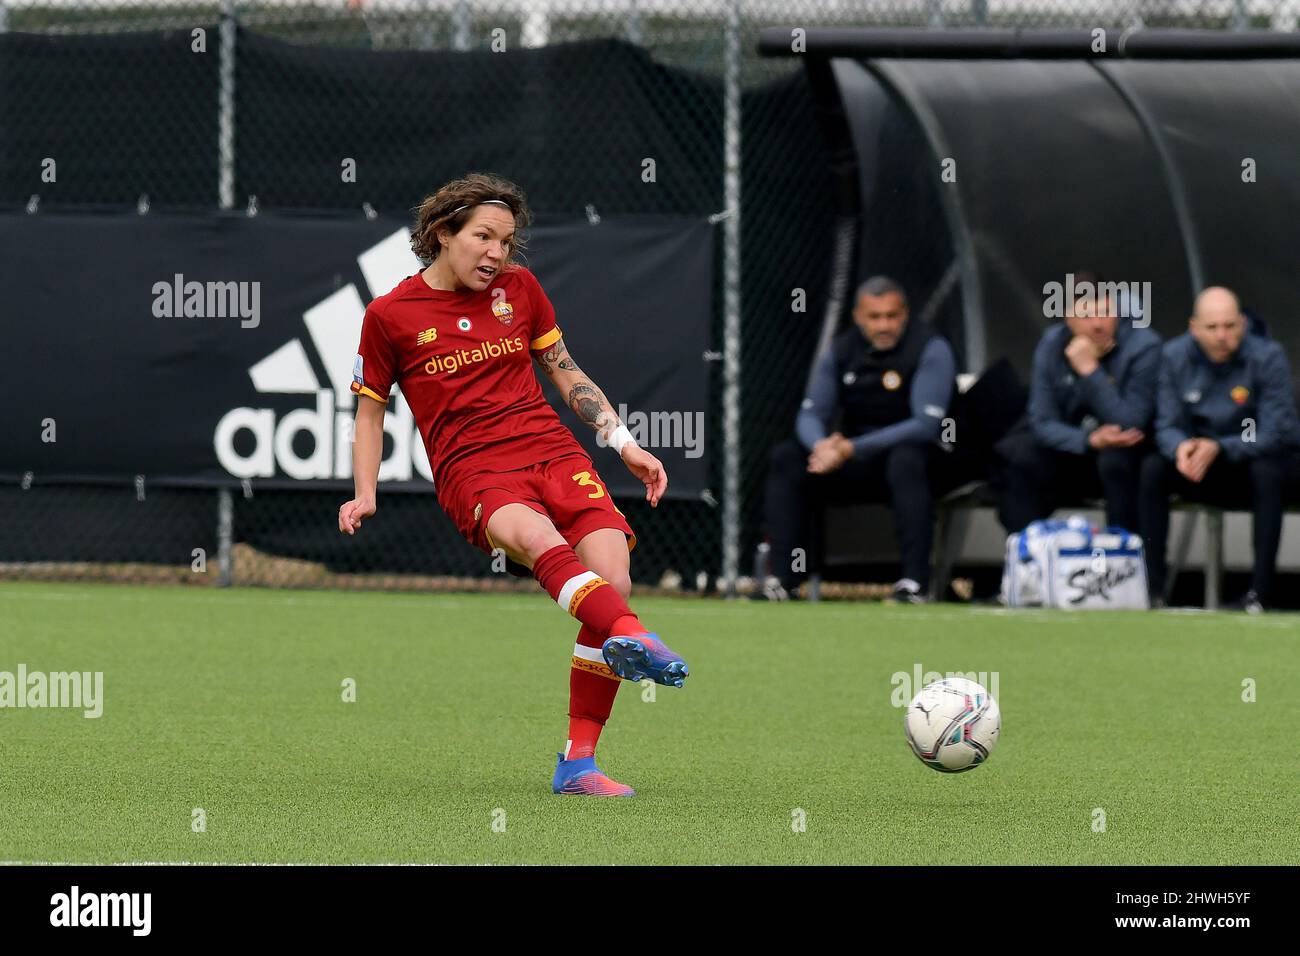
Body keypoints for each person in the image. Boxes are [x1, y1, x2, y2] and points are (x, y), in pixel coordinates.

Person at [337, 173, 689, 796]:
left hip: (551, 450)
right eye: (483, 237)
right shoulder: (389, 315)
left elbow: (565, 371)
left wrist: (625, 443)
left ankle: (578, 763)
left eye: (506, 240)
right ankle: (634, 636)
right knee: (535, 539)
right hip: (473, 467)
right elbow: (370, 411)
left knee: (614, 580)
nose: (497, 253)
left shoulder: (519, 291)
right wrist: (366, 491)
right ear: (443, 234)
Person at [760, 276, 957, 603]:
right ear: (858, 317)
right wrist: (821, 448)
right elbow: (810, 413)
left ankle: (914, 582)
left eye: (891, 316)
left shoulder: (931, 348)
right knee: (787, 458)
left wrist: (851, 448)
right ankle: (781, 580)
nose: (884, 325)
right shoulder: (841, 349)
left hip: (915, 461)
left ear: (905, 314)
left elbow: (925, 424)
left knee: (906, 459)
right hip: (851, 460)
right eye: (874, 317)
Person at [1139, 286, 1299, 612]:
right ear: (1193, 327)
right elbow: (1166, 424)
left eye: (1230, 326)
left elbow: (1273, 433)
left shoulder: (1267, 357)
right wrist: (1181, 448)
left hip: (1246, 461)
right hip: (1197, 465)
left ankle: (1259, 594)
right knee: (1152, 468)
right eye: (1212, 328)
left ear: (1242, 324)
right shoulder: (1173, 357)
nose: (1222, 335)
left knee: (1268, 471)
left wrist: (1221, 447)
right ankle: (1152, 590)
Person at [996, 288, 1161, 534]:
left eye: (1105, 313)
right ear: (1068, 318)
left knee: (1117, 461)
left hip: (1123, 454)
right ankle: (1032, 556)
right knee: (1023, 460)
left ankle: (1122, 558)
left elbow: (1131, 422)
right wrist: (1088, 440)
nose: (1097, 325)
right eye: (1086, 316)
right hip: (1073, 448)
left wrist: (1090, 371)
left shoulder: (1143, 346)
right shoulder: (1051, 344)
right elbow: (1042, 422)